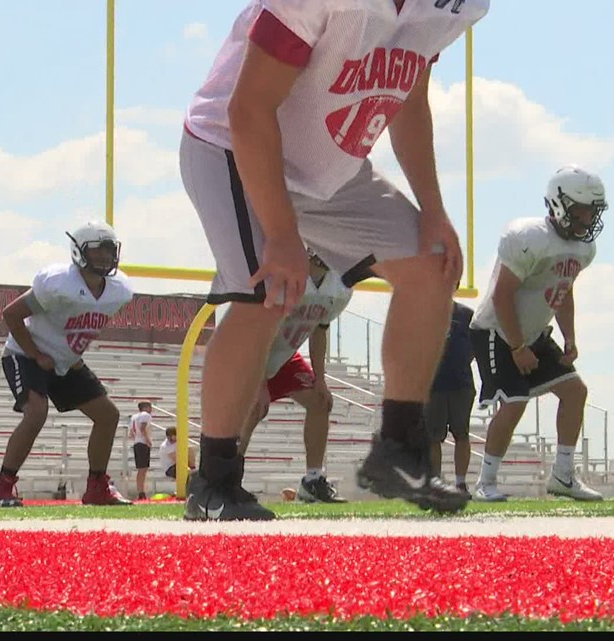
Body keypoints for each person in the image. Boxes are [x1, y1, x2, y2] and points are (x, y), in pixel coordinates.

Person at [181, 0, 488, 521]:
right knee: (266, 292)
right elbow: (248, 109)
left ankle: (398, 449)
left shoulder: (455, 4)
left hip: (329, 168)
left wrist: (433, 209)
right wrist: (281, 234)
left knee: (432, 263)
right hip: (234, 146)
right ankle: (212, 479)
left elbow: (409, 98)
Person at [470, 166, 607, 503]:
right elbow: (502, 296)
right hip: (496, 330)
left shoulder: (582, 250)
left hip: (532, 334)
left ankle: (562, 475)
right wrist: (516, 347)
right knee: (515, 402)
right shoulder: (529, 238)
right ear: (560, 205)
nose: (588, 219)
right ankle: (485, 482)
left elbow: (563, 291)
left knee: (575, 391)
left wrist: (570, 338)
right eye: (582, 211)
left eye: (593, 211)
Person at [0, 221, 134, 508]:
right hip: (25, 353)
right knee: (36, 413)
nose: (105, 257)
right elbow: (11, 314)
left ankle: (96, 487)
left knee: (108, 415)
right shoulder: (59, 284)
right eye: (97, 250)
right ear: (80, 252)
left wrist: (70, 357)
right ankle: (3, 487)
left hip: (64, 361)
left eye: (108, 250)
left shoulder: (118, 290)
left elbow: (76, 328)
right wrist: (35, 354)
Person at [239, 250, 351, 503]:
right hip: (252, 354)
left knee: (320, 402)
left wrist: (320, 380)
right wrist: (260, 383)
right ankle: (226, 478)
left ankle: (312, 481)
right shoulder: (288, 278)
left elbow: (320, 329)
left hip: (284, 356)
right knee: (253, 411)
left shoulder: (337, 286)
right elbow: (260, 331)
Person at [425, 300, 475, 499]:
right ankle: (435, 483)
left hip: (461, 383)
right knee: (433, 437)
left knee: (461, 434)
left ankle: (461, 483)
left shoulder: (466, 315)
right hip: (432, 385)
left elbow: (474, 347)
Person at [126, 401, 154, 500]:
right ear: (146, 407)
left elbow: (131, 433)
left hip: (137, 442)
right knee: (143, 469)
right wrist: (147, 440)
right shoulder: (145, 415)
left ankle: (141, 491)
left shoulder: (134, 417)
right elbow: (142, 428)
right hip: (142, 443)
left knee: (141, 469)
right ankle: (141, 492)